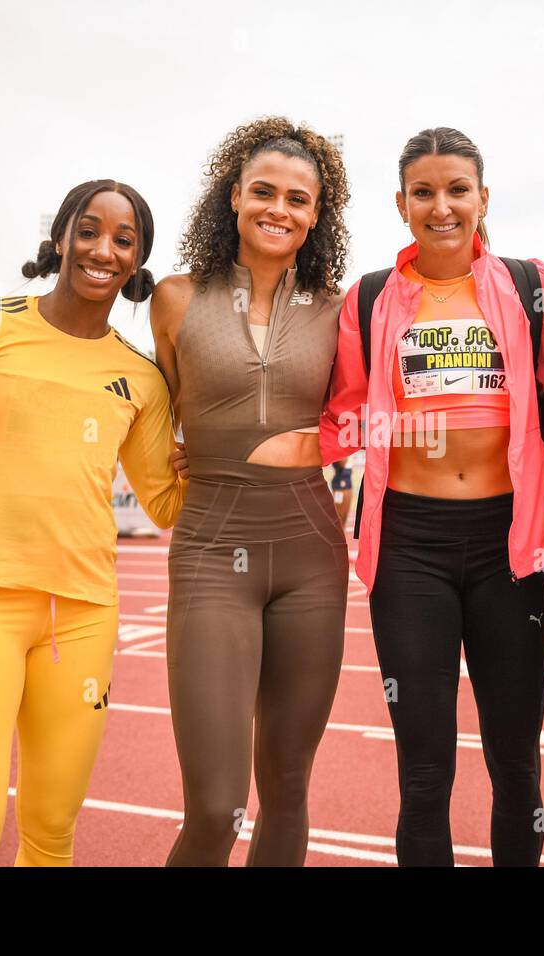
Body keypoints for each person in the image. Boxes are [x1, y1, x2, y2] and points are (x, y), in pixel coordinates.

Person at [0, 179, 182, 867]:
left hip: (82, 618)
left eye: (124, 239)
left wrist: (224, 445)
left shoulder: (139, 378)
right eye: (89, 229)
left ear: (138, 263)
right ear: (60, 238)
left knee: (51, 837)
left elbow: (166, 504)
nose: (103, 249)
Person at [321, 127, 544, 866]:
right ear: (401, 204)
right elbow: (344, 415)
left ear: (483, 198)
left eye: (457, 189)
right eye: (423, 192)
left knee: (517, 769)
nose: (441, 206)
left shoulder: (531, 287)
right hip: (409, 553)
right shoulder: (367, 300)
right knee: (424, 774)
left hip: (508, 550)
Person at [152, 117, 351, 867]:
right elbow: (161, 415)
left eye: (298, 199)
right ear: (232, 196)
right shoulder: (174, 300)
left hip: (310, 557)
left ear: (316, 215)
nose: (279, 209)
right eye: (263, 191)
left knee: (288, 789)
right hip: (210, 553)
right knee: (214, 805)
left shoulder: (340, 309)